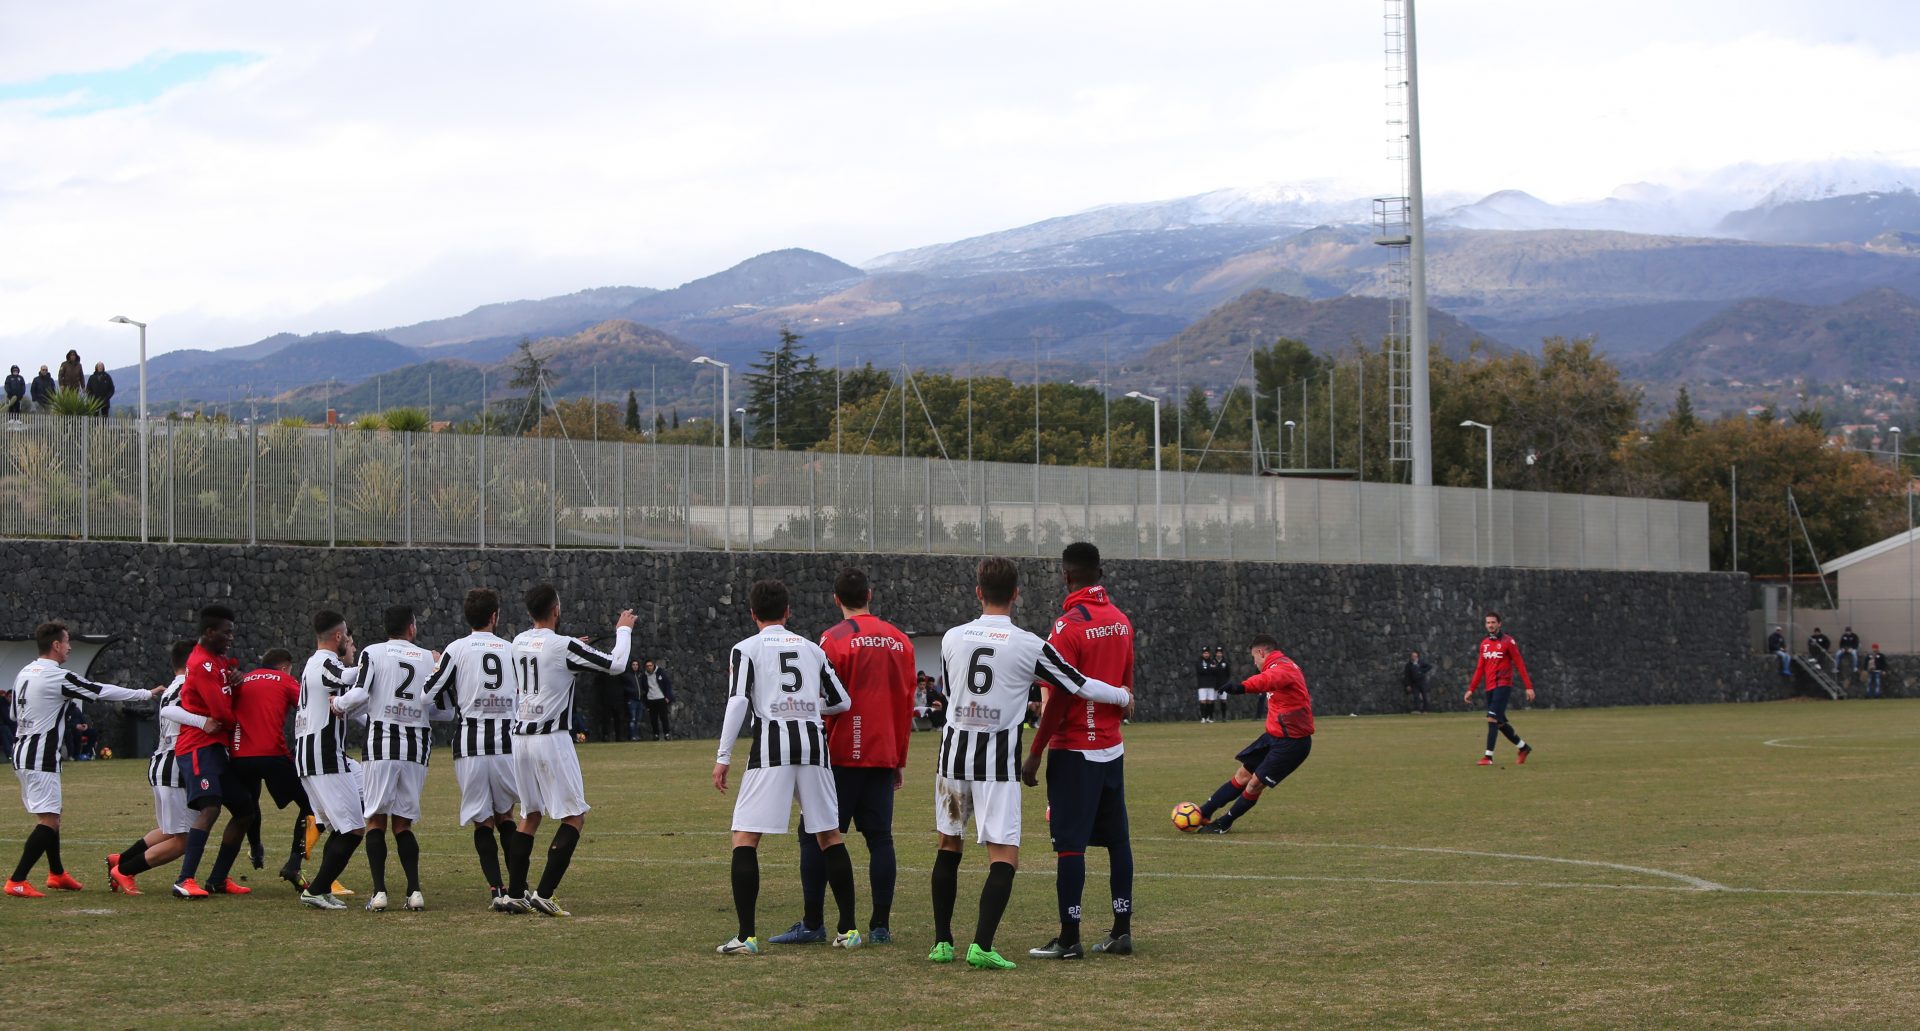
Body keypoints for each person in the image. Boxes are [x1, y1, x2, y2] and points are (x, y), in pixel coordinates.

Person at [928, 557, 1132, 971]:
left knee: (949, 846)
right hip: (996, 764)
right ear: (1016, 594)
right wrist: (1122, 697)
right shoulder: (1027, 644)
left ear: (978, 591)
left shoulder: (951, 638)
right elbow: (1076, 683)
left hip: (952, 758)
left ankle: (942, 942)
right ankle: (981, 945)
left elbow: (951, 691)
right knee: (1004, 855)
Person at [712, 578, 861, 956]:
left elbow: (738, 701)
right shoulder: (811, 648)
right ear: (788, 612)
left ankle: (746, 937)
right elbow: (842, 701)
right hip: (813, 745)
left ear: (752, 614)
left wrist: (723, 756)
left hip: (772, 746)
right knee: (830, 835)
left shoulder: (746, 648)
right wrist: (809, 708)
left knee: (745, 837)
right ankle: (849, 930)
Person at [767, 568, 915, 948]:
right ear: (870, 593)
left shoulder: (832, 640)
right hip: (883, 751)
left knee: (816, 834)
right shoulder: (901, 640)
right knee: (880, 838)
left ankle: (813, 921)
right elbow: (905, 701)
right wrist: (899, 755)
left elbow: (823, 698)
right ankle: (880, 924)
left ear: (836, 599)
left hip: (840, 752)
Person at [1020, 542, 1137, 960]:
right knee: (1118, 840)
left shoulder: (1067, 628)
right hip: (1111, 747)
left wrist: (1035, 752)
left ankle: (1070, 937)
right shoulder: (1121, 621)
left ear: (1066, 576)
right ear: (1099, 573)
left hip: (1074, 749)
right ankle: (1121, 930)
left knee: (1070, 844)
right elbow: (1127, 686)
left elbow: (1060, 699)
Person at [502, 584, 635, 916]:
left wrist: (573, 647)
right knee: (574, 815)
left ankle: (515, 892)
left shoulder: (518, 640)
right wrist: (623, 629)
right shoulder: (564, 646)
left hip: (519, 737)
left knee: (529, 815)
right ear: (557, 609)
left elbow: (548, 655)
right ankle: (544, 892)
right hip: (551, 738)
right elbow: (617, 664)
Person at [7, 620, 157, 898]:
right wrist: (145, 693)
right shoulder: (57, 676)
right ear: (55, 645)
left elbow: (14, 715)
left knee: (53, 816)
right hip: (40, 757)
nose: (69, 647)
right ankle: (17, 880)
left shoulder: (25, 672)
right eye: (66, 642)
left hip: (23, 751)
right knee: (48, 821)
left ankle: (57, 874)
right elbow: (99, 690)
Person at [422, 587, 526, 911]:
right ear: (495, 617)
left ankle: (497, 890)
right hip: (508, 745)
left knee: (483, 822)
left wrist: (442, 675)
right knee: (506, 815)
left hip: (470, 746)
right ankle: (518, 889)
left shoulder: (457, 649)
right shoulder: (511, 649)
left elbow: (428, 695)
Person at [333, 605, 437, 913]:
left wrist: (337, 704)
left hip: (382, 745)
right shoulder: (426, 658)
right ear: (412, 628)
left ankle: (379, 893)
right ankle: (414, 891)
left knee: (376, 820)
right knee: (403, 824)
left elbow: (361, 693)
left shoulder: (373, 652)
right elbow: (435, 703)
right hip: (417, 747)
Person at [170, 604, 259, 898]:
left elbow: (226, 698)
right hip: (198, 747)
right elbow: (220, 712)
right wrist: (245, 728)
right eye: (226, 632)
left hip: (217, 748)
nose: (230, 637)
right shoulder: (203, 664)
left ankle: (218, 879)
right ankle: (185, 880)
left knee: (245, 809)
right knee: (210, 807)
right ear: (209, 632)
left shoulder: (219, 661)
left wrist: (237, 680)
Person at [1192, 634, 1316, 834]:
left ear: (1261, 652)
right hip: (1273, 736)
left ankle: (1224, 823)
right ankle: (1205, 812)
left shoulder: (1283, 668)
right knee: (1242, 776)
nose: (1254, 662)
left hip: (1292, 743)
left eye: (1254, 658)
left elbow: (1267, 680)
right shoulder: (1279, 665)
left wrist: (1239, 687)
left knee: (1255, 784)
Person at [108, 641, 203, 894]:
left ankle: (120, 860)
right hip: (175, 766)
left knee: (169, 830)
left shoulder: (173, 686)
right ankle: (125, 871)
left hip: (162, 764)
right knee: (183, 840)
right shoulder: (189, 687)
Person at [292, 610, 366, 910]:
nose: (349, 641)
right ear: (338, 637)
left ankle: (320, 887)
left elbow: (351, 697)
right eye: (347, 635)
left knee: (348, 821)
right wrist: (379, 664)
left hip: (317, 755)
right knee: (353, 829)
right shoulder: (324, 662)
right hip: (321, 755)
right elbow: (347, 676)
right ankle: (317, 889)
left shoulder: (315, 664)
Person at [227, 649, 312, 892]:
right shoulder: (286, 680)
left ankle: (255, 847)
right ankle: (294, 864)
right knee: (310, 805)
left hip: (239, 756)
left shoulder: (244, 679)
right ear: (285, 667)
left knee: (250, 803)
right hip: (273, 754)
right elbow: (306, 707)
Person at [1465, 611, 1535, 766]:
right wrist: (1471, 689)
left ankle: (1488, 757)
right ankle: (1523, 747)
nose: (1490, 625)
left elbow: (1520, 664)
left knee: (1492, 718)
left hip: (1503, 685)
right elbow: (1480, 668)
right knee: (1500, 723)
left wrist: (1528, 687)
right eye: (1488, 622)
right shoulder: (1484, 644)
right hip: (1490, 687)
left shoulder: (1508, 642)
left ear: (1499, 624)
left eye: (1493, 622)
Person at [642, 659, 674, 740]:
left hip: (661, 698)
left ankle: (666, 734)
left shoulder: (660, 673)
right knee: (653, 719)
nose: (649, 667)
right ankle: (656, 734)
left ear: (653, 666)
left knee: (664, 717)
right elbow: (644, 689)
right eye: (647, 666)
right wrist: (646, 701)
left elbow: (667, 685)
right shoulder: (644, 676)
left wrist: (668, 697)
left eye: (650, 665)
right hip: (651, 699)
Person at [1195, 647, 1222, 723]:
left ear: (1209, 653)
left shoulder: (1212, 661)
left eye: (1207, 653)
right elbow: (1200, 670)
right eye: (1204, 653)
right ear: (1202, 654)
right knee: (1203, 701)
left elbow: (1216, 670)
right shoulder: (1199, 661)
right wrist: (1209, 669)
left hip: (1211, 684)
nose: (1206, 654)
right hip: (1202, 685)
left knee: (1210, 701)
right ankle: (1203, 717)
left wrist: (1207, 668)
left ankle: (1209, 717)